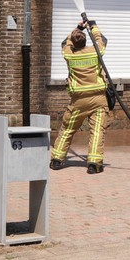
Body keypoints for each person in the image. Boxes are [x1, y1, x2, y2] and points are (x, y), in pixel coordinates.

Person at [50, 18, 111, 174]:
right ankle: (94, 164)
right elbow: (102, 39)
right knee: (97, 131)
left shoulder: (69, 55)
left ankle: (57, 160)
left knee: (68, 129)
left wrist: (78, 28)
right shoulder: (95, 51)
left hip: (78, 100)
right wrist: (93, 25)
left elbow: (65, 42)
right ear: (85, 42)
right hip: (98, 98)